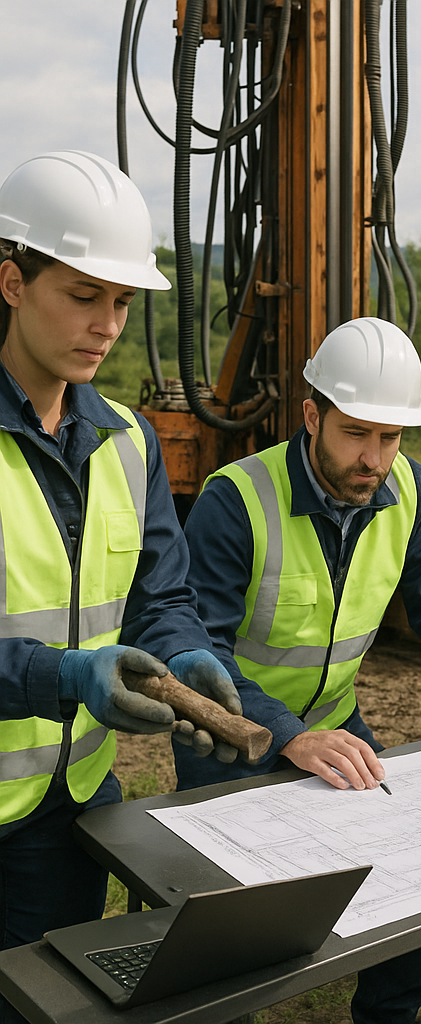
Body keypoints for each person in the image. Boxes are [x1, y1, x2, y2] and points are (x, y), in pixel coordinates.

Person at [176, 314, 421, 1024]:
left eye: (391, 437)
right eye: (356, 433)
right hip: (232, 735)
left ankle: (388, 1014)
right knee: (233, 930)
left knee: (407, 879)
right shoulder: (236, 500)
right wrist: (286, 734)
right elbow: (199, 655)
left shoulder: (410, 492)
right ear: (312, 416)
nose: (374, 458)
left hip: (336, 725)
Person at [0, 150, 242, 1023]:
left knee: (49, 1006)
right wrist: (63, 677)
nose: (107, 325)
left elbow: (160, 593)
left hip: (70, 800)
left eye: (123, 302)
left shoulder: (129, 440)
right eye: (82, 294)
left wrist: (187, 654)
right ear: (11, 281)